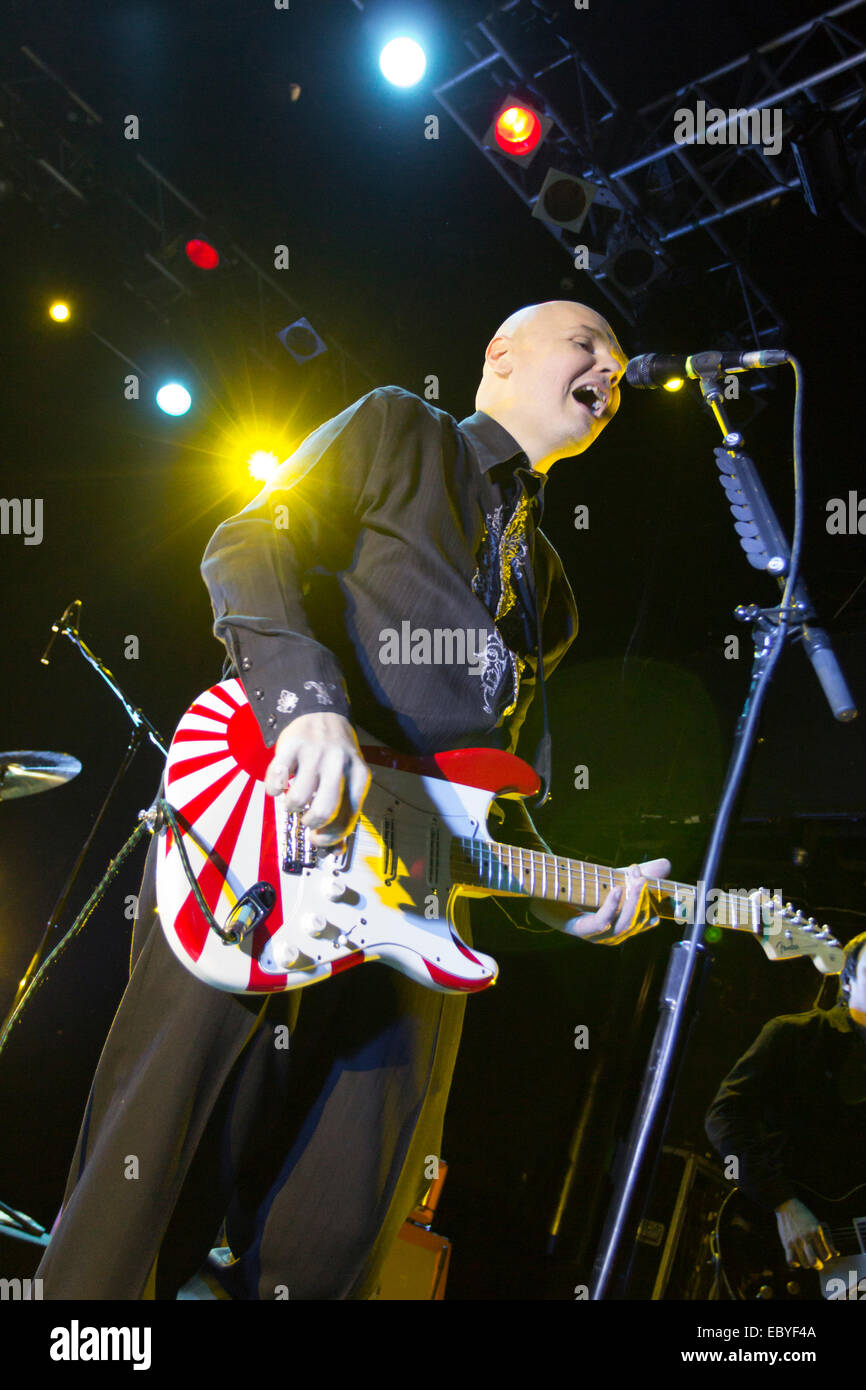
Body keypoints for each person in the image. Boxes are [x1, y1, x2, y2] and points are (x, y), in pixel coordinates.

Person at [36, 300, 669, 1300]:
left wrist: (560, 890)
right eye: (587, 344)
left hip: (414, 907)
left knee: (342, 1228)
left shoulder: (550, 586)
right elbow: (245, 542)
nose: (610, 370)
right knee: (153, 1174)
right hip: (271, 835)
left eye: (623, 366)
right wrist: (303, 706)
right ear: (498, 354)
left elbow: (485, 796)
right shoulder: (398, 428)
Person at [705, 930, 866, 1277]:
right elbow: (724, 1119)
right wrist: (782, 1203)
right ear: (849, 980)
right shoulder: (796, 1035)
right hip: (781, 1245)